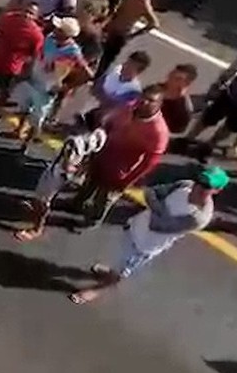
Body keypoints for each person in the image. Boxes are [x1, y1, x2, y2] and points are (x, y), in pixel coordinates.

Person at [71, 167, 227, 305]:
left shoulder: (198, 217)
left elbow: (158, 225)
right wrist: (161, 210)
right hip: (136, 225)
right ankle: (110, 273)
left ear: (217, 190)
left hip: (146, 245)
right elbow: (150, 192)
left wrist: (157, 207)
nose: (199, 186)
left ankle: (97, 290)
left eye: (207, 186)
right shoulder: (185, 185)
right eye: (200, 180)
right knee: (118, 256)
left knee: (124, 270)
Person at [70, 84, 170, 228]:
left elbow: (149, 162)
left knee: (104, 199)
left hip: (119, 172)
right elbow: (109, 122)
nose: (144, 102)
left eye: (150, 100)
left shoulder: (158, 132)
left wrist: (128, 180)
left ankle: (92, 221)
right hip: (101, 156)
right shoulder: (129, 108)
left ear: (159, 104)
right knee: (89, 184)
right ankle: (76, 204)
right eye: (143, 97)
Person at [16, 127, 108, 242]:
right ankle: (36, 207)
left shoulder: (75, 144)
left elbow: (67, 166)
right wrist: (78, 171)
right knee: (40, 195)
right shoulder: (85, 148)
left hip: (56, 175)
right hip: (58, 173)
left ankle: (37, 229)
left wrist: (74, 168)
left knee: (43, 202)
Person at [10, 17, 85, 146]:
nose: (55, 29)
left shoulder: (73, 51)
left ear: (66, 34)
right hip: (36, 77)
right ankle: (19, 130)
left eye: (59, 29)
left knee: (38, 115)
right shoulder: (50, 38)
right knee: (24, 104)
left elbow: (87, 73)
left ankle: (28, 142)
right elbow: (40, 54)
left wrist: (66, 87)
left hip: (48, 86)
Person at [97, 0, 159, 77]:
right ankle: (97, 77)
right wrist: (135, 34)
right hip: (122, 32)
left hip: (111, 27)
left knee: (99, 52)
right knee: (107, 58)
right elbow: (154, 23)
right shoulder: (143, 1)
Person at [81, 51, 152, 127]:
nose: (125, 66)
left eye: (130, 66)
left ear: (138, 72)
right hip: (84, 110)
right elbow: (97, 85)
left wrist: (101, 95)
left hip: (99, 123)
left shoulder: (134, 92)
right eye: (127, 63)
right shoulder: (115, 71)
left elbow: (114, 106)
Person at [160, 63, 199, 135]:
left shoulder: (183, 109)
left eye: (178, 79)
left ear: (186, 84)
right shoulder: (157, 88)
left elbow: (175, 131)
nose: (170, 78)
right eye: (172, 73)